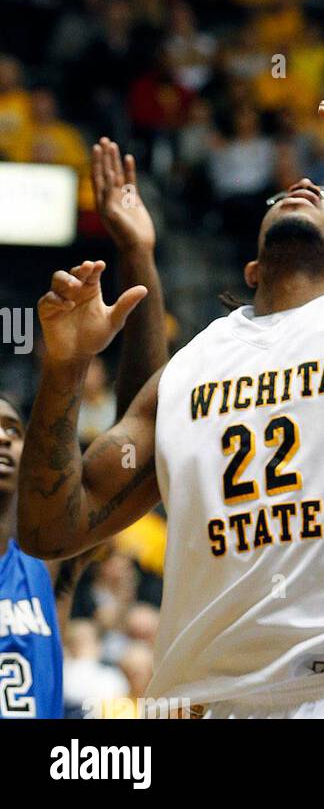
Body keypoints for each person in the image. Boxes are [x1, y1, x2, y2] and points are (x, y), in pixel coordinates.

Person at [17, 52, 324, 720]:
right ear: (253, 268)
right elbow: (52, 531)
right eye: (283, 193)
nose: (305, 187)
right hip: (187, 704)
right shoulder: (194, 363)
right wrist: (62, 369)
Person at [1, 139, 167, 720]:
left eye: (13, 428)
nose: (2, 437)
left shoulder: (45, 559)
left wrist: (136, 254)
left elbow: (137, 434)